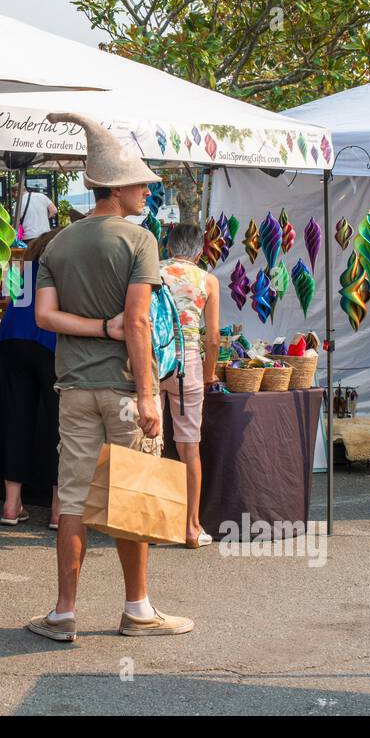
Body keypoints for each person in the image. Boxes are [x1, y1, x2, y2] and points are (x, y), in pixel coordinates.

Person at [27, 111, 193, 643]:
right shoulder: (139, 241)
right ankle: (137, 609)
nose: (147, 190)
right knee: (134, 496)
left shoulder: (58, 243)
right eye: (142, 183)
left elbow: (45, 318)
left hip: (73, 389)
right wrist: (148, 394)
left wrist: (98, 327)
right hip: (125, 390)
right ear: (117, 188)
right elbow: (139, 321)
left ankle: (63, 613)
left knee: (72, 501)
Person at [113, 223, 219, 548]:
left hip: (153, 360)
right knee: (189, 446)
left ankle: (151, 525)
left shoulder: (153, 272)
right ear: (200, 250)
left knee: (149, 443)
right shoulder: (208, 281)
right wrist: (211, 373)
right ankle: (191, 527)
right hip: (189, 364)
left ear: (168, 245)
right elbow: (212, 338)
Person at [0, 228, 61, 528]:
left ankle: (11, 505)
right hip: (49, 343)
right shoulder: (61, 266)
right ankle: (60, 509)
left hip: (11, 341)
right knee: (60, 426)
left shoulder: (28, 268)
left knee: (14, 420)